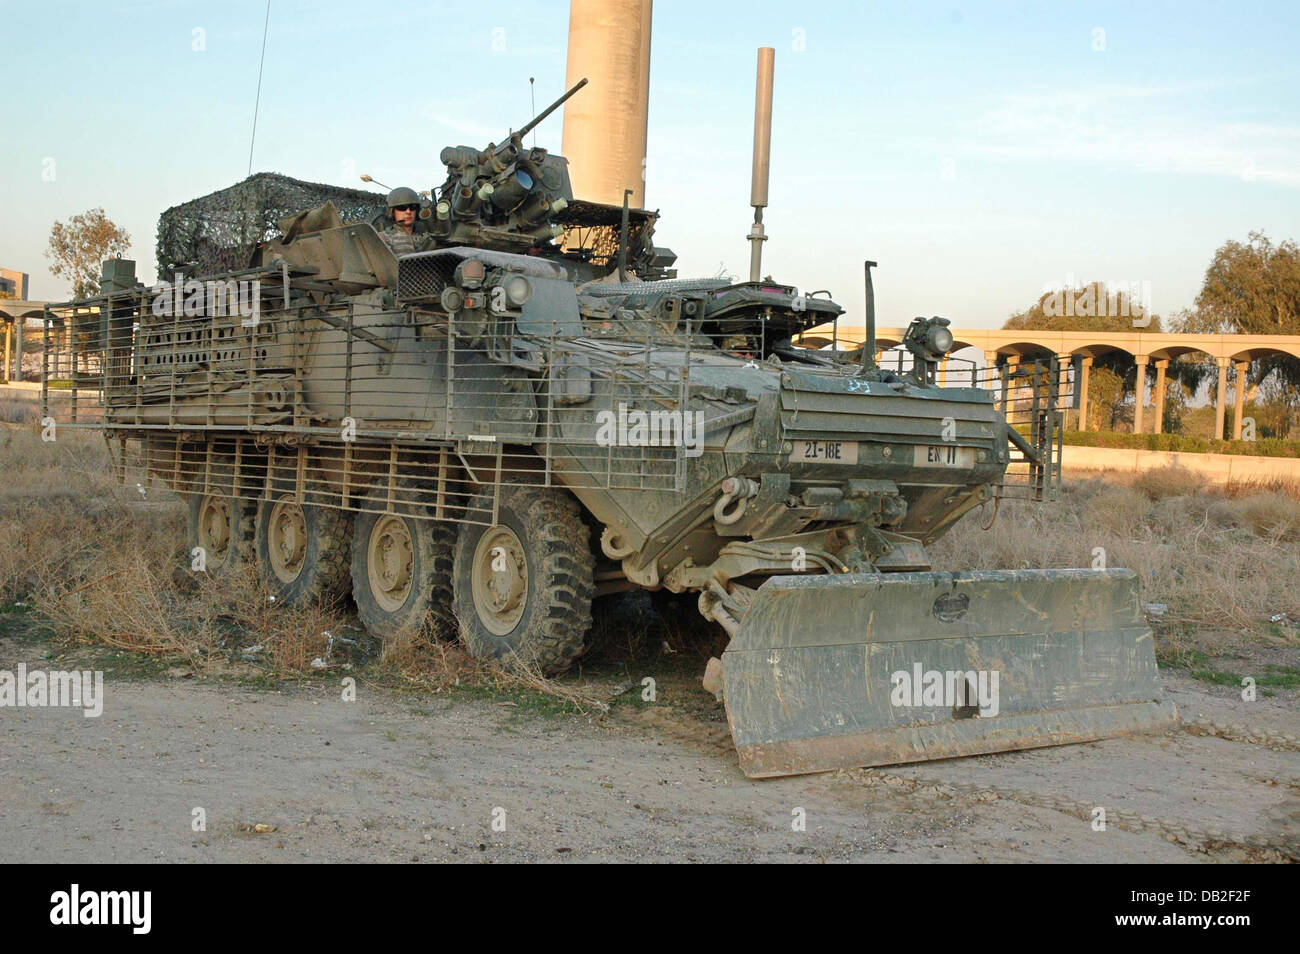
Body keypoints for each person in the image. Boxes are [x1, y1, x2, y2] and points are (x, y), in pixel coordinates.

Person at [377, 187, 427, 255]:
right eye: (402, 207)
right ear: (392, 211)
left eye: (412, 207)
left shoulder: (425, 239)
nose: (408, 212)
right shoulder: (384, 239)